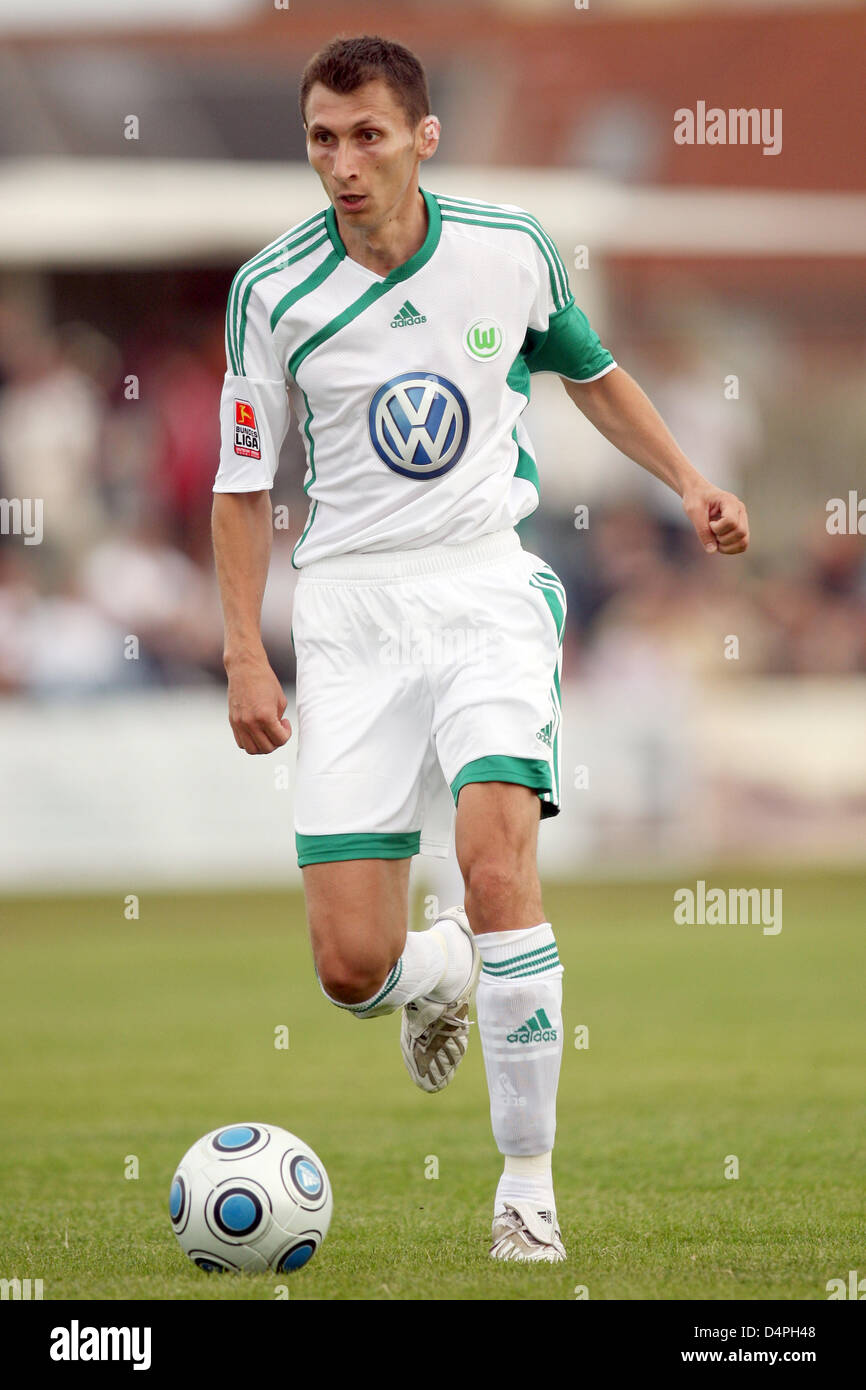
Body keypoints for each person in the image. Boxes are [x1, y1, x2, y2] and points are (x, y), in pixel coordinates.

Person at [211, 34, 749, 1264]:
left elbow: (590, 371)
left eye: (367, 135)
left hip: (482, 590)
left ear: (421, 137)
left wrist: (687, 481)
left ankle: (524, 1187)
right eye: (321, 139)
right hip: (346, 614)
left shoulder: (510, 249)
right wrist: (246, 649)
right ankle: (440, 965)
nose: (342, 163)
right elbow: (243, 485)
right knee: (352, 965)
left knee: (499, 866)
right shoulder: (270, 295)